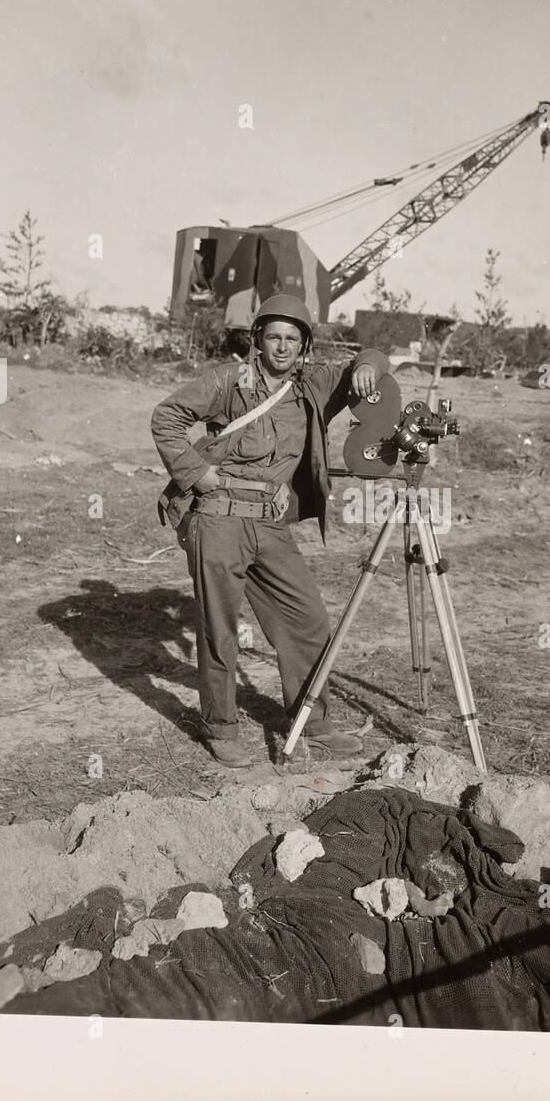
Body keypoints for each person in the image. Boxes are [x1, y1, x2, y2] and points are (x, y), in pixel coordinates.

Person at [151, 294, 389, 767]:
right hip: (218, 517)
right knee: (220, 629)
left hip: (269, 522)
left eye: (293, 339)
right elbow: (167, 418)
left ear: (305, 347)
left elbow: (372, 357)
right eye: (274, 337)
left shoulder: (313, 385)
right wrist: (196, 473)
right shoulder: (229, 380)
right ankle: (220, 726)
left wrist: (370, 365)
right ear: (257, 340)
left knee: (307, 620)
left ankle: (312, 724)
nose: (282, 347)